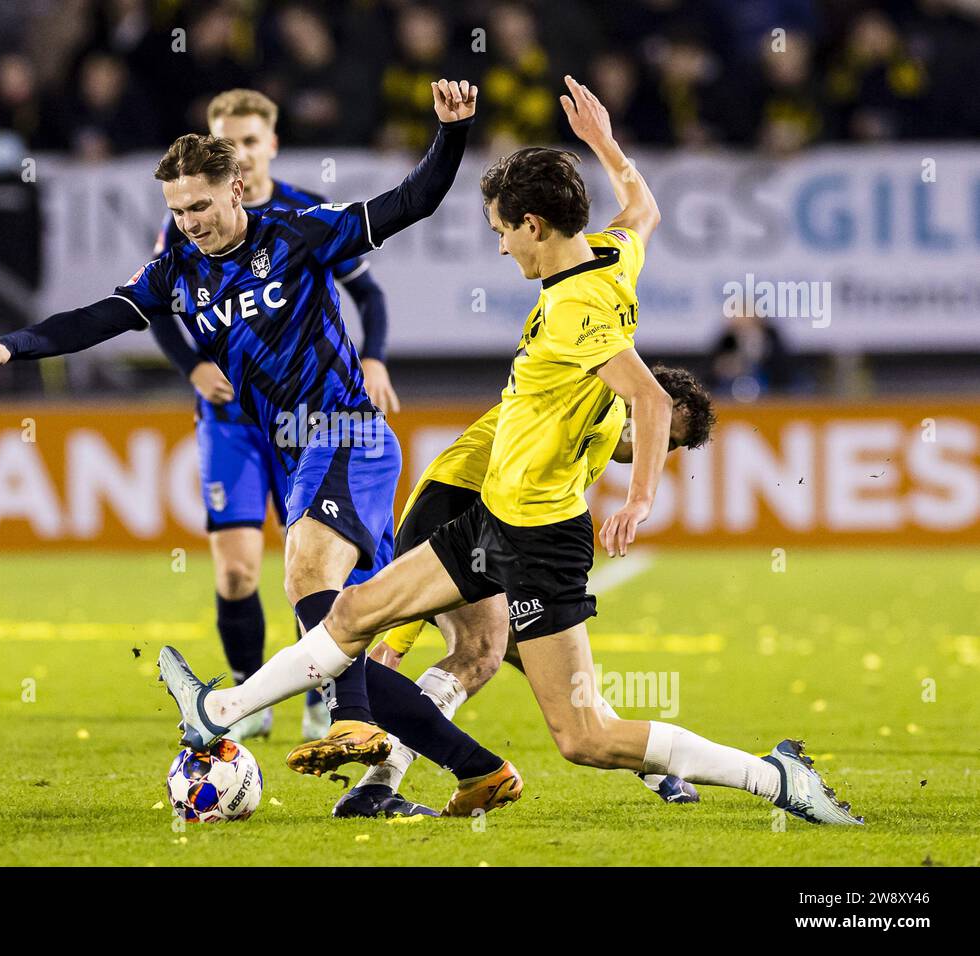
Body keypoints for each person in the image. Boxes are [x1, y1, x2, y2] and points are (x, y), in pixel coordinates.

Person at [160, 76, 864, 826]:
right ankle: (221, 709)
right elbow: (645, 208)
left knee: (585, 736)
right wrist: (602, 142)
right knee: (354, 614)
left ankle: (772, 777)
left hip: (537, 540)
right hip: (492, 515)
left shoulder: (575, 309)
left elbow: (651, 401)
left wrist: (640, 500)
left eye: (501, 229)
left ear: (533, 225)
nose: (499, 244)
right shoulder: (609, 255)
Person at [0, 80, 496, 787]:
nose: (191, 223)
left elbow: (410, 202)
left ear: (238, 186)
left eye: (201, 206)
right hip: (299, 449)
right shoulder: (177, 269)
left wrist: (452, 131)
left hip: (344, 432)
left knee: (306, 575)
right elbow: (97, 317)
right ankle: (474, 767)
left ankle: (342, 719)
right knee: (342, 629)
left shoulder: (298, 232)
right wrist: (11, 347)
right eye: (178, 212)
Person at [337, 365, 715, 817]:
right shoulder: (583, 406)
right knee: (480, 650)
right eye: (664, 437)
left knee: (538, 648)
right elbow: (446, 532)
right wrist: (399, 638)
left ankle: (647, 763)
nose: (657, 453)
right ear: (640, 409)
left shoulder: (595, 429)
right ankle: (375, 784)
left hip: (477, 522)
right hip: (459, 506)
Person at [148, 88, 397, 742]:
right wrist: (194, 368)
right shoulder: (186, 220)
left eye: (251, 142)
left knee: (308, 556)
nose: (243, 154)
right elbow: (152, 307)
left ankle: (320, 689)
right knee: (235, 570)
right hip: (230, 418)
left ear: (271, 146)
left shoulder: (299, 216)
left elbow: (366, 293)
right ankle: (252, 692)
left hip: (305, 419)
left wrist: (374, 360)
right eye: (228, 141)